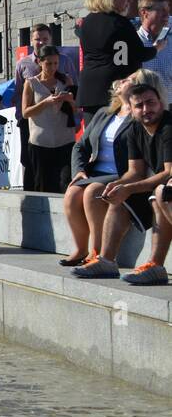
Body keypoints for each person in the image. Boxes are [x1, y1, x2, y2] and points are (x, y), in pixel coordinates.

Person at [73, 74, 172, 284]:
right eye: (140, 106)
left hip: (166, 184)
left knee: (161, 194)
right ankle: (106, 261)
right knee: (121, 199)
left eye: (151, 103)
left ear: (161, 103)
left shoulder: (168, 126)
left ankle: (156, 264)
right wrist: (118, 185)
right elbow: (134, 171)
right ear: (132, 109)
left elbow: (168, 172)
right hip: (159, 184)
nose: (146, 109)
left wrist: (129, 187)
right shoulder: (135, 128)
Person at [62, 76, 134, 267]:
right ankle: (80, 249)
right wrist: (79, 170)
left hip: (122, 174)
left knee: (92, 192)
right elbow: (80, 146)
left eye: (128, 80)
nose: (121, 81)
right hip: (96, 171)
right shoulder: (105, 113)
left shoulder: (139, 116)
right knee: (72, 194)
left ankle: (98, 252)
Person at [77, 0, 164, 121]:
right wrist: (157, 48)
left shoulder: (87, 21)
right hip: (115, 90)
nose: (130, 0)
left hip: (89, 90)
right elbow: (140, 54)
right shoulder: (120, 23)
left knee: (94, 137)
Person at [13, 24, 79, 177]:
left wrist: (75, 117)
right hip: (33, 126)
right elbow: (18, 93)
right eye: (37, 39)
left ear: (50, 39)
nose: (41, 42)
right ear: (31, 40)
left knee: (63, 174)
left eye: (45, 39)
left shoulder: (65, 61)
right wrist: (20, 120)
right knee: (31, 166)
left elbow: (75, 91)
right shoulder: (23, 64)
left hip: (61, 127)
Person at [21, 45, 77, 193]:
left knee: (66, 182)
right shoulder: (31, 83)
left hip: (65, 139)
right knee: (43, 185)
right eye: (48, 63)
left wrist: (69, 100)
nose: (52, 67)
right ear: (39, 62)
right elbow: (25, 113)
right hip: (40, 142)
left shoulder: (66, 80)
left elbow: (76, 108)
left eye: (56, 63)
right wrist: (45, 103)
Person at [135, 0, 172, 97]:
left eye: (168, 10)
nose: (167, 15)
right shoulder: (133, 41)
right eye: (161, 10)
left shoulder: (170, 41)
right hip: (144, 107)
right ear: (144, 13)